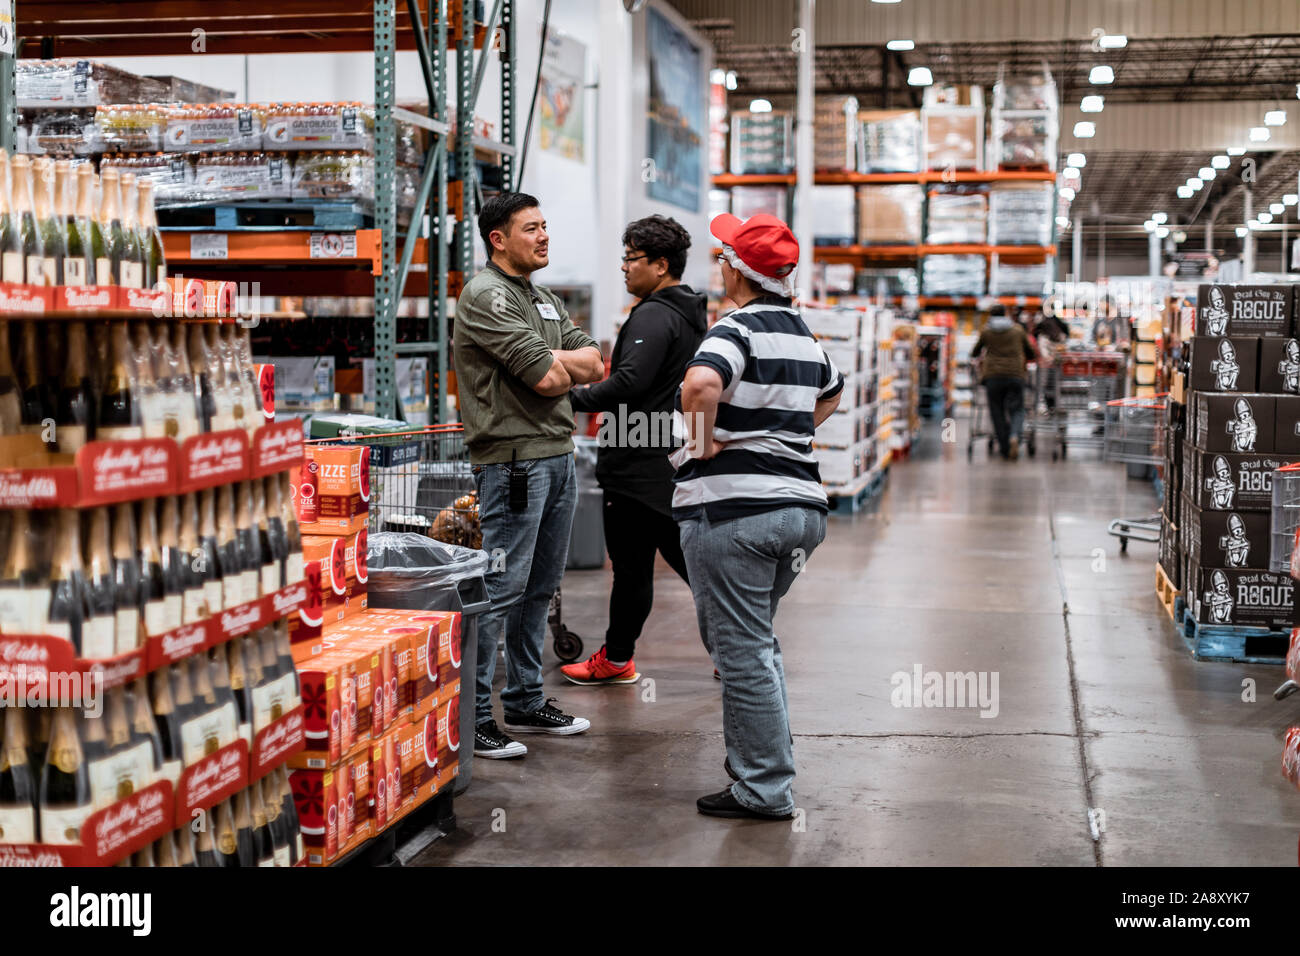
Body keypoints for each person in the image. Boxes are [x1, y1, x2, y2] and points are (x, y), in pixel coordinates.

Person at [673, 212, 843, 820]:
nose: (717, 266)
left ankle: (764, 787)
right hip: (801, 513)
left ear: (735, 270)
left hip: (737, 513)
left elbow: (699, 387)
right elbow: (832, 391)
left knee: (740, 649)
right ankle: (763, 755)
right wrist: (782, 437)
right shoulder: (803, 334)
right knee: (752, 643)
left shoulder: (734, 328)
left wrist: (702, 443)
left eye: (722, 257)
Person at [452, 191, 604, 760]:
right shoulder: (487, 296)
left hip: (556, 453)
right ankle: (475, 715)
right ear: (499, 239)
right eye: (531, 228)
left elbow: (593, 360)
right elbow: (546, 378)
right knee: (501, 588)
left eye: (545, 226)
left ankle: (523, 697)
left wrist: (557, 361)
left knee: (540, 586)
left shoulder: (538, 298)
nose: (544, 237)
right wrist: (557, 362)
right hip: (513, 458)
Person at [562, 215, 707, 685]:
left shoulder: (653, 314)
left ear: (661, 265)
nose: (624, 268)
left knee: (635, 571)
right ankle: (740, 648)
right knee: (686, 568)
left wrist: (570, 399)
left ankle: (619, 658)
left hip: (636, 468)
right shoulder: (685, 313)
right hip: (661, 457)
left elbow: (630, 382)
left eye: (632, 259)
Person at [971, 304, 1035, 460]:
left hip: (993, 376)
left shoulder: (986, 331)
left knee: (997, 411)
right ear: (1006, 314)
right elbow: (1030, 352)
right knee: (1017, 409)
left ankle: (1005, 447)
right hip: (1015, 374)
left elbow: (975, 352)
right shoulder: (1018, 330)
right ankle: (1014, 435)